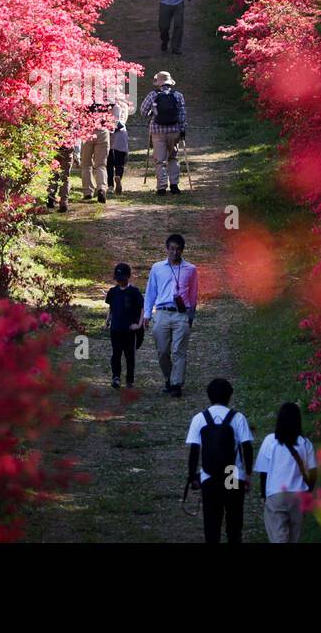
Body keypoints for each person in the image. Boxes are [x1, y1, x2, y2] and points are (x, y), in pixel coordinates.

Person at [186, 378, 254, 544]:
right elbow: (247, 448)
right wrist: (248, 474)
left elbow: (194, 451)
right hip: (232, 475)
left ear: (209, 396)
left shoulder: (199, 419)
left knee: (212, 522)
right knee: (234, 521)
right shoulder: (238, 418)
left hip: (209, 476)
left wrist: (192, 477)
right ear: (229, 396)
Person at [142, 233, 197, 397]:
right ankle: (168, 378)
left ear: (182, 251)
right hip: (162, 312)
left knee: (179, 351)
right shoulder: (157, 268)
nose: (174, 252)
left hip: (181, 314)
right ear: (167, 249)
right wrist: (146, 314)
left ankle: (177, 384)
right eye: (172, 249)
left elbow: (193, 294)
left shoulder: (191, 269)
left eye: (178, 249)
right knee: (162, 351)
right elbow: (150, 292)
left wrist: (191, 316)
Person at [255, 402, 318, 544]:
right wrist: (309, 492)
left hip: (275, 494)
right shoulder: (305, 443)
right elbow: (313, 473)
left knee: (278, 536)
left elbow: (263, 472)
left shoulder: (270, 441)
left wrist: (263, 495)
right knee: (294, 536)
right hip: (299, 495)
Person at [140, 71, 186, 195]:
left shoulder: (152, 95)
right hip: (174, 130)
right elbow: (182, 115)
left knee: (160, 160)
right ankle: (174, 185)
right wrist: (182, 130)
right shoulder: (178, 95)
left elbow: (143, 112)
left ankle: (161, 187)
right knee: (173, 158)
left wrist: (152, 113)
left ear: (158, 83)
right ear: (170, 82)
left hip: (157, 131)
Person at [104, 263, 144, 389]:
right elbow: (111, 308)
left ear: (128, 277)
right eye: (118, 278)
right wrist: (107, 320)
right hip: (115, 329)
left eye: (122, 278)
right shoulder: (112, 292)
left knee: (129, 356)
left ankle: (129, 380)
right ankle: (116, 377)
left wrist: (139, 325)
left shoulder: (134, 292)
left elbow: (143, 308)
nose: (120, 281)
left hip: (129, 330)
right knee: (116, 354)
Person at [79, 100, 113, 203]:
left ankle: (88, 191)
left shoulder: (84, 95)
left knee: (86, 163)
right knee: (101, 164)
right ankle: (101, 188)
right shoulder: (106, 95)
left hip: (87, 130)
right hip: (102, 131)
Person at [46, 142, 74, 213]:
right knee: (65, 178)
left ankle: (50, 199)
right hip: (67, 149)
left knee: (53, 176)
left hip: (54, 147)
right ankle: (64, 202)